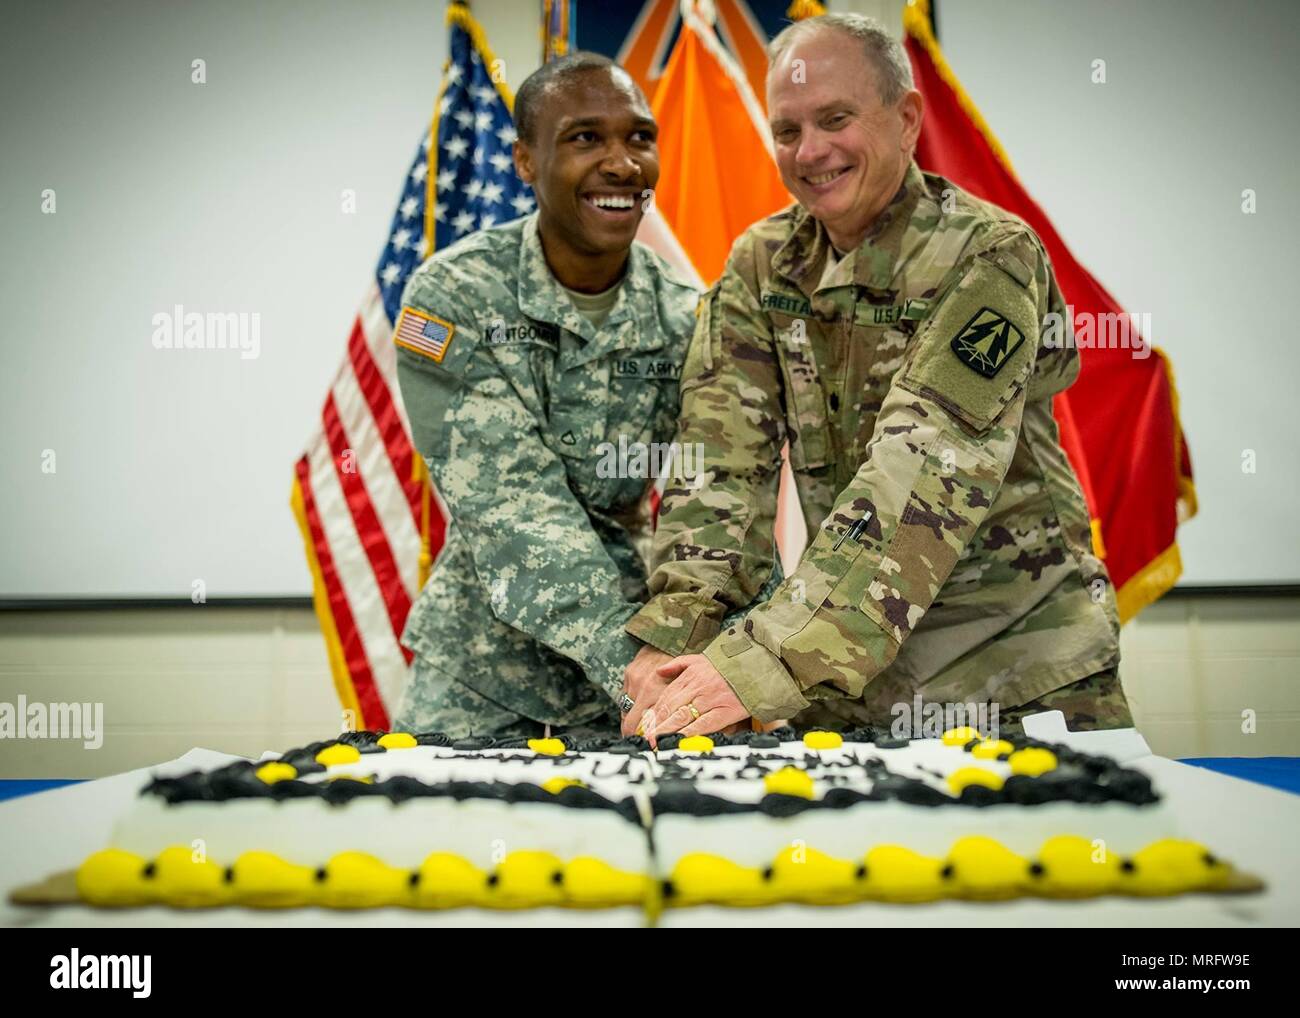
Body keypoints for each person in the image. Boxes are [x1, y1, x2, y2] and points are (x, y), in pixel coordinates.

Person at [622, 13, 1130, 741]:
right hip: (854, 692)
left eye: (835, 119)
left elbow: (922, 472)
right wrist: (677, 632)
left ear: (906, 119)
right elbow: (720, 465)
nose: (811, 151)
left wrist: (762, 664)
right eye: (788, 130)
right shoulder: (762, 264)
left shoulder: (990, 255)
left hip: (1018, 674)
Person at [392, 53, 698, 739]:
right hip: (486, 683)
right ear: (526, 161)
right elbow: (514, 508)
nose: (622, 164)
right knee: (437, 841)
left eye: (640, 137)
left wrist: (706, 667)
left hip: (651, 667)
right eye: (586, 137)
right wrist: (636, 676)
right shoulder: (453, 298)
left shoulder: (687, 312)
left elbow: (714, 497)